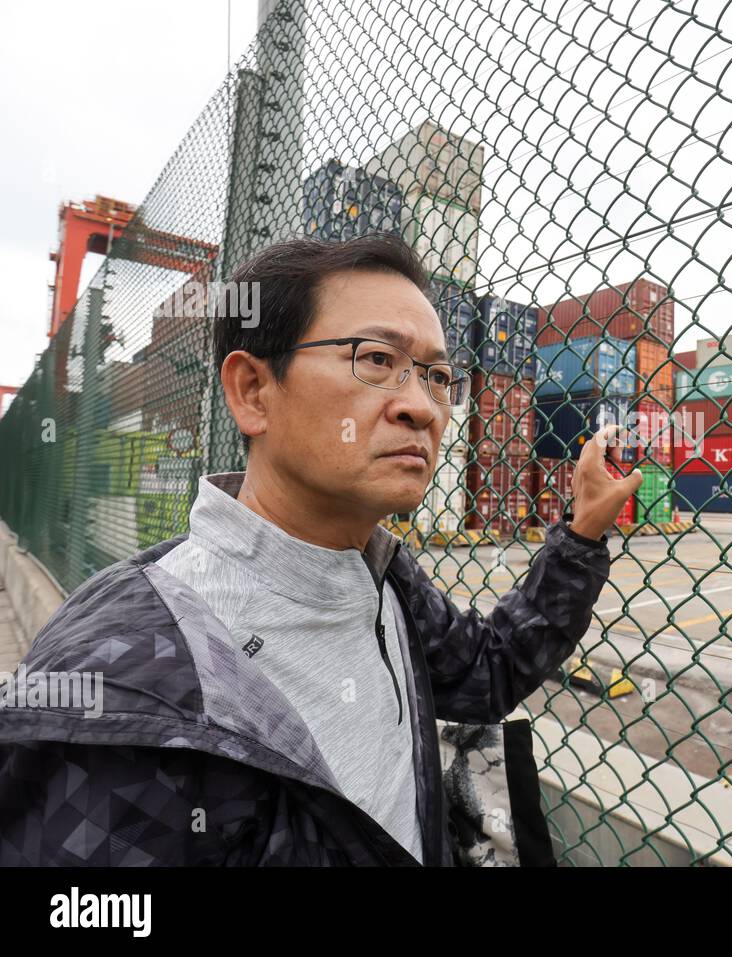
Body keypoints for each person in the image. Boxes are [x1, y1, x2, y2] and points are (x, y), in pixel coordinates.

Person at [0, 234, 641, 865]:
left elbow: (488, 671)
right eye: (375, 360)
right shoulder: (125, 681)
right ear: (253, 391)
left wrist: (580, 537)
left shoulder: (385, 582)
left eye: (438, 376)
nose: (422, 406)